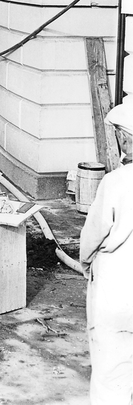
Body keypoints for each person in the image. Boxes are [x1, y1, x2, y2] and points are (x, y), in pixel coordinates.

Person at [79, 102, 133, 405]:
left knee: (111, 378)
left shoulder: (115, 183)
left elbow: (92, 236)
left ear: (126, 140)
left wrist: (86, 261)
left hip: (116, 290)